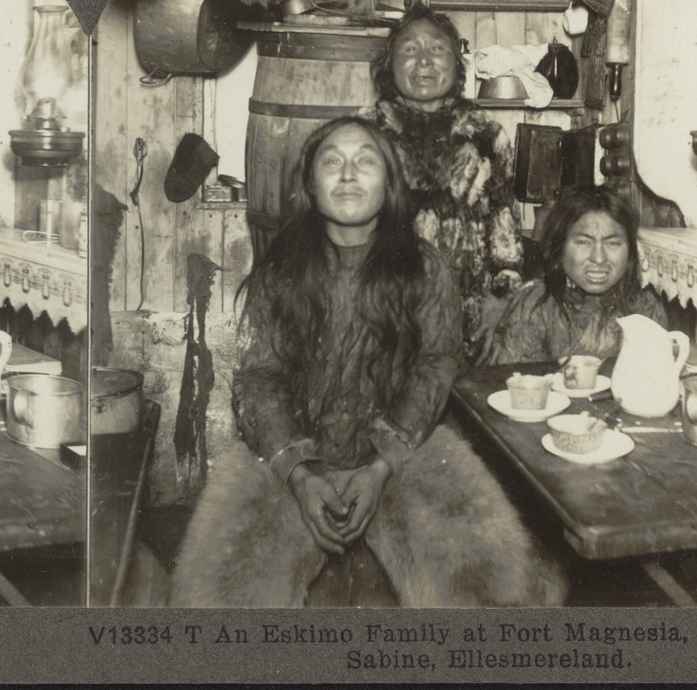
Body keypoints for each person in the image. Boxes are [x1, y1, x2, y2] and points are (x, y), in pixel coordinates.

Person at [169, 117, 563, 608]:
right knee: (210, 604)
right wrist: (299, 475)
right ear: (312, 185)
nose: (349, 174)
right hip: (287, 456)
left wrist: (380, 469)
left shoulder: (424, 267)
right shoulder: (281, 270)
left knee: (496, 590)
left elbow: (436, 365)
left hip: (405, 453)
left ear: (389, 184)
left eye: (366, 161)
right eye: (332, 162)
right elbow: (258, 379)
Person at [360, 6, 524, 361]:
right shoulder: (363, 135)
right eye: (409, 49)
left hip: (468, 318)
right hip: (384, 316)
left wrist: (499, 307)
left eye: (437, 49)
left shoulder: (486, 134)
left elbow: (506, 234)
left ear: (457, 64)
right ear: (389, 66)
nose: (423, 62)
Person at [479, 184, 669, 365]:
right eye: (584, 242)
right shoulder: (536, 307)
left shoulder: (644, 307)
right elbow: (516, 389)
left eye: (613, 243)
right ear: (560, 248)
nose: (599, 258)